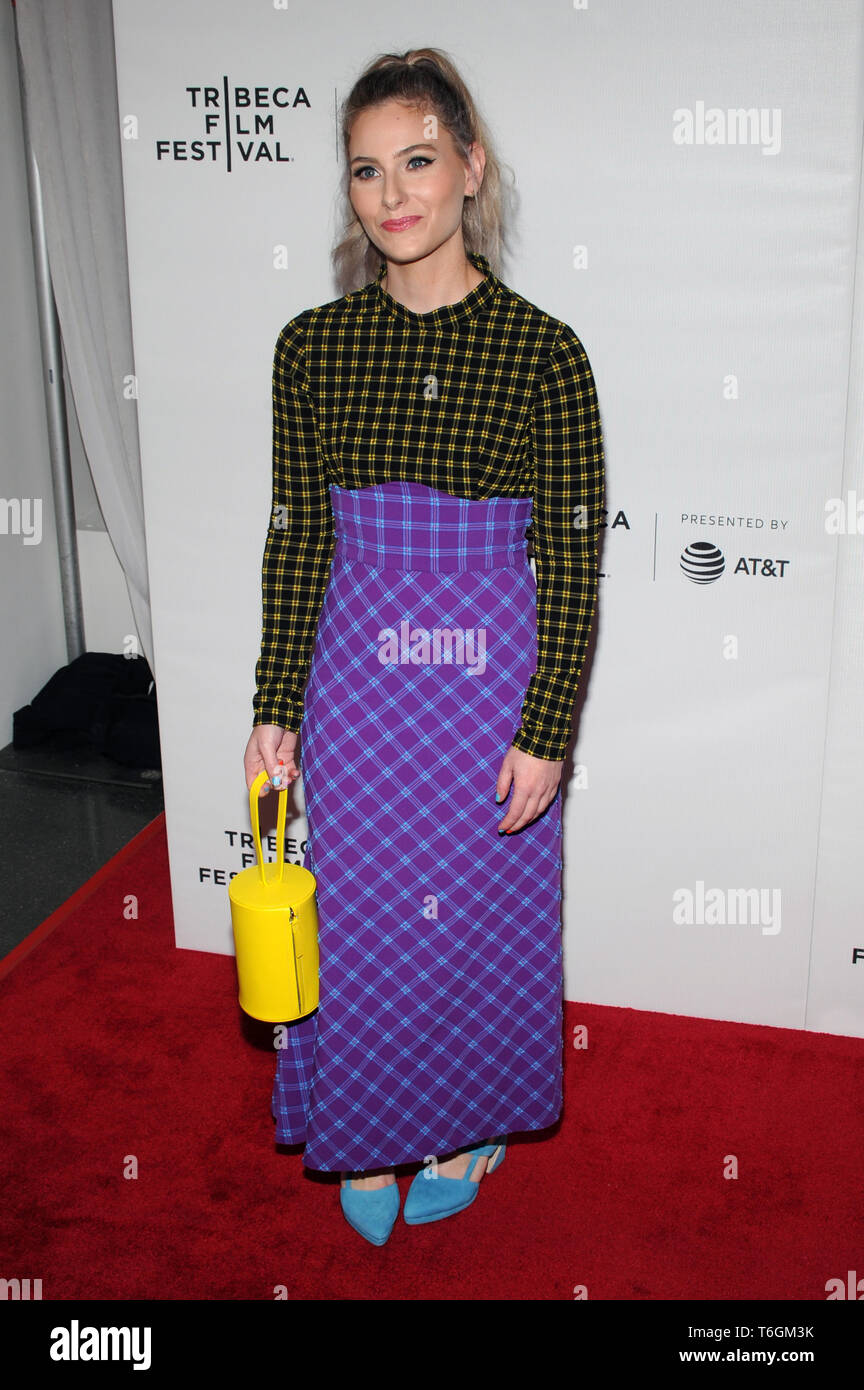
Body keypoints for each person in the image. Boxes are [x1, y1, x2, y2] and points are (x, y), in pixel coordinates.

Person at [243, 46, 605, 1247]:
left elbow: (573, 556)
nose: (392, 193)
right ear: (347, 191)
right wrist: (274, 702)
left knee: (479, 921)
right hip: (357, 672)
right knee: (368, 920)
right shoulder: (312, 347)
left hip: (487, 677)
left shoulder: (544, 351)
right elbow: (296, 538)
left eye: (416, 160)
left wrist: (547, 731)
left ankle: (463, 1124)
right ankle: (364, 1118)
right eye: (365, 170)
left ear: (468, 167)